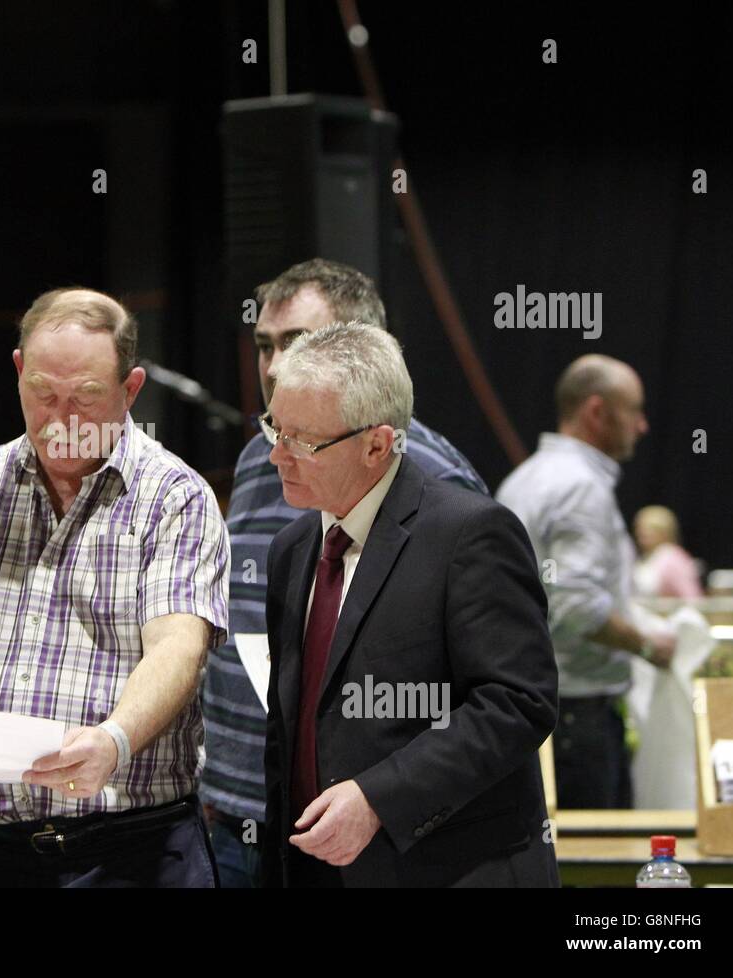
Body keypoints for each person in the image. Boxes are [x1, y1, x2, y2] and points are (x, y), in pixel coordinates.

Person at [0, 287, 229, 887]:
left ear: (131, 390)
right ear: (19, 371)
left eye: (87, 397)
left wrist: (115, 739)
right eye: (43, 394)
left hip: (135, 851)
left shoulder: (174, 499)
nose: (62, 419)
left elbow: (179, 645)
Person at [202, 257, 487, 887]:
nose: (274, 366)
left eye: (296, 343)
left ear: (360, 352)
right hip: (241, 811)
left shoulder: (441, 483)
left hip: (368, 829)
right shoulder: (261, 458)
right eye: (264, 345)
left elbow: (497, 696)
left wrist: (385, 798)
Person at [262, 322, 558, 887]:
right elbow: (287, 731)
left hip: (447, 869)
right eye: (275, 427)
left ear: (377, 444)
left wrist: (379, 798)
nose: (277, 455)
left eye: (301, 440)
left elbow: (518, 703)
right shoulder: (292, 549)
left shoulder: (470, 533)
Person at [497, 354, 676, 810]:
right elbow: (578, 608)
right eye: (634, 411)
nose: (642, 426)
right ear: (597, 411)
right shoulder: (581, 488)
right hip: (578, 719)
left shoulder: (526, 478)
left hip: (535, 710)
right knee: (600, 862)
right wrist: (650, 645)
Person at [633, 505, 704, 599]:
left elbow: (692, 596)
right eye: (641, 528)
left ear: (665, 531)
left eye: (652, 529)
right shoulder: (645, 557)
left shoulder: (673, 557)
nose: (644, 533)